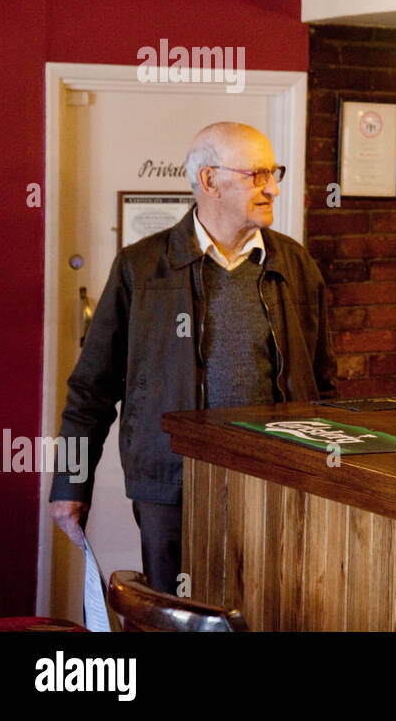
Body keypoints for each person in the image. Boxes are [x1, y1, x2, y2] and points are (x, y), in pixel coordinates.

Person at [49, 122, 336, 592]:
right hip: (171, 484)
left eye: (273, 172)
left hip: (277, 479)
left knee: (272, 609)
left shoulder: (296, 264)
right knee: (175, 614)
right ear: (208, 181)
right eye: (257, 175)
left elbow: (324, 386)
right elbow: (91, 391)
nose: (273, 187)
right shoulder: (140, 267)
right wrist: (69, 485)